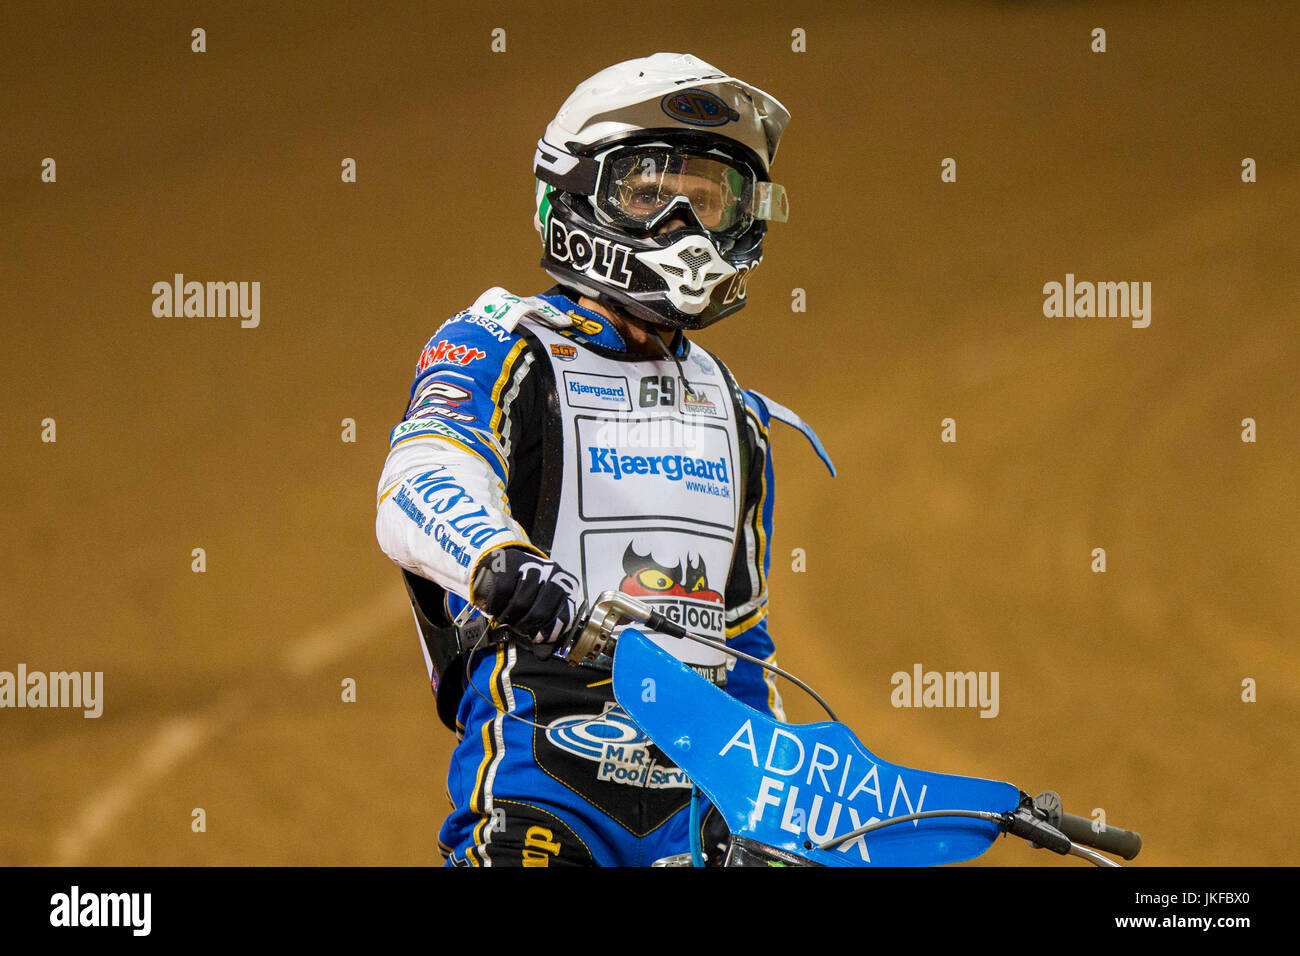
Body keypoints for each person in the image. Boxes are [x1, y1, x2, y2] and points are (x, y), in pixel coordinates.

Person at [374, 52, 834, 866]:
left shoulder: (737, 412)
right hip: (542, 784)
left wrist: (771, 805)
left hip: (697, 816)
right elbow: (421, 474)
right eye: (650, 193)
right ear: (577, 194)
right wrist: (498, 560)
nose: (684, 226)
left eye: (708, 198)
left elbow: (744, 648)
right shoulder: (503, 342)